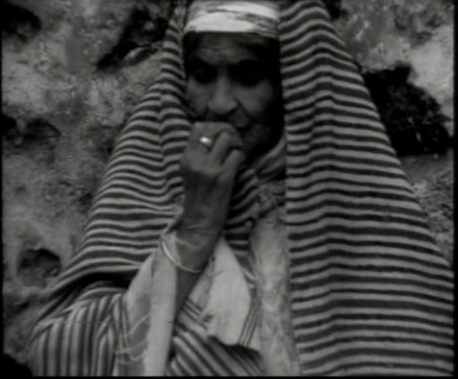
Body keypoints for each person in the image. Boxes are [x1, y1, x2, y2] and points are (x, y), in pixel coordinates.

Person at [28, 0, 453, 376]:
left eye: (248, 76)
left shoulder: (352, 208)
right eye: (201, 74)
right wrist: (194, 227)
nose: (218, 103)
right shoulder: (146, 181)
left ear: (291, 83)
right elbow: (65, 354)